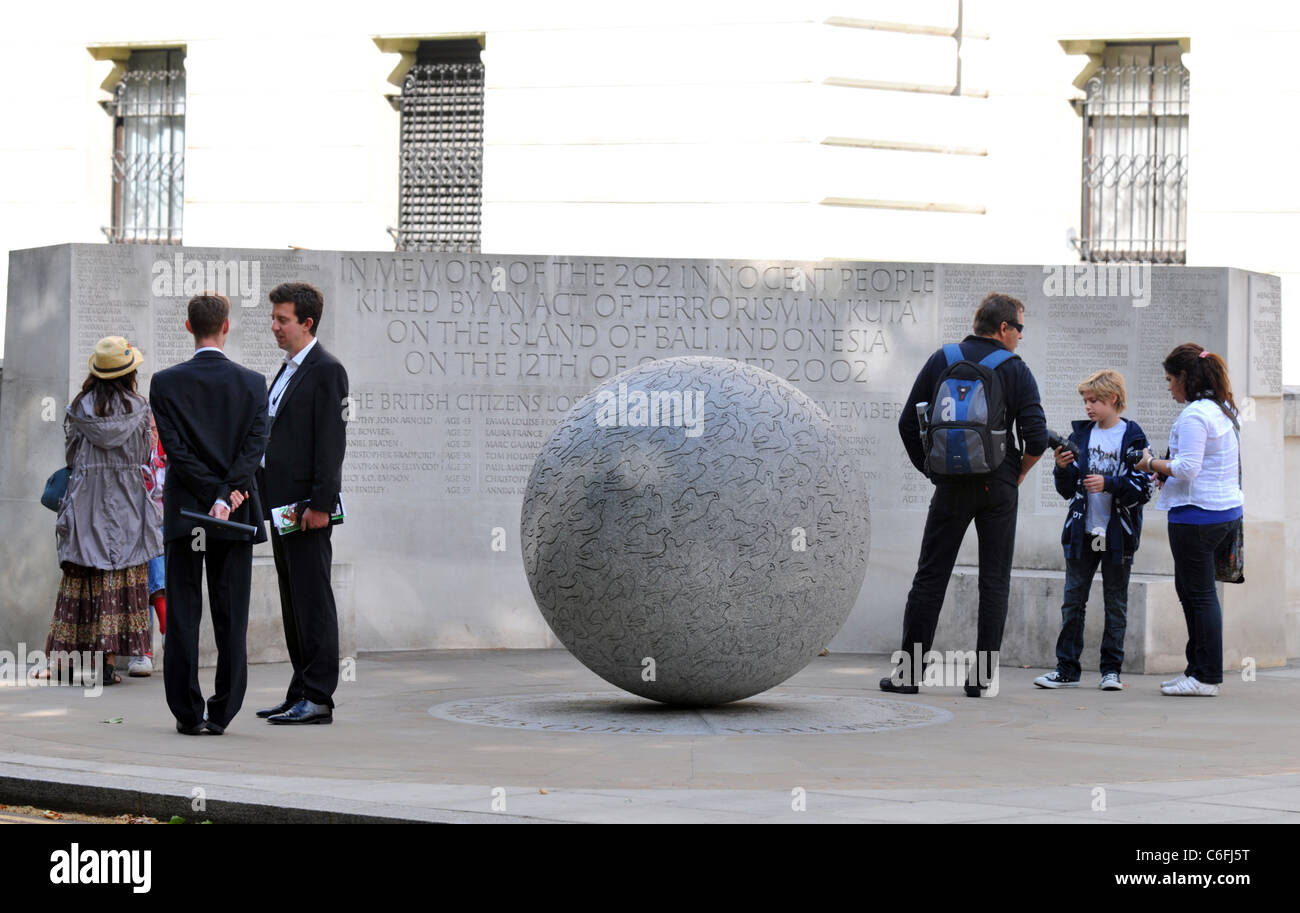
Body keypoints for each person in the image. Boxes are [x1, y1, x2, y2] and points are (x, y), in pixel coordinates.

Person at [885, 292, 1048, 697]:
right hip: (998, 487)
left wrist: (934, 470)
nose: (1021, 338)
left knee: (929, 578)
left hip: (951, 486)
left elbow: (908, 423)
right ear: (1004, 328)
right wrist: (1017, 473)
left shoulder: (943, 358)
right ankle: (980, 680)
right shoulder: (1015, 369)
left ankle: (908, 676)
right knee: (994, 582)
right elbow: (1038, 437)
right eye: (1020, 329)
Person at [149, 294, 270, 734]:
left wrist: (210, 495)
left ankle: (186, 712)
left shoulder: (164, 383)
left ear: (187, 327)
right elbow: (253, 451)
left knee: (183, 612)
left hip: (187, 514)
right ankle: (221, 713)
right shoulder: (254, 384)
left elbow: (176, 453)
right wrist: (228, 494)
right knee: (231, 613)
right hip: (235, 514)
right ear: (226, 326)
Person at [44, 336, 161, 686]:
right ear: (128, 374)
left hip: (86, 503)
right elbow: (145, 455)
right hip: (127, 505)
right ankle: (109, 663)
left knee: (84, 579)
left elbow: (70, 458)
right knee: (120, 577)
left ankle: (65, 660)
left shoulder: (79, 409)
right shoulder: (140, 410)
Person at [256, 282, 349, 725]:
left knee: (312, 601)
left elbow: (331, 444)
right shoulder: (288, 369)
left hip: (306, 510)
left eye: (282, 319)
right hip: (280, 508)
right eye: (274, 318)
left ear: (306, 323)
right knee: (293, 599)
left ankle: (318, 698)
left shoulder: (326, 370)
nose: (274, 326)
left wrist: (320, 505)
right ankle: (300, 689)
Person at [1134, 343, 1243, 697]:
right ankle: (1196, 669)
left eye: (1170, 380)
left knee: (1199, 595)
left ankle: (1206, 676)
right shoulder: (1221, 409)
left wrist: (1151, 463)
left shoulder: (1196, 414)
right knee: (1193, 592)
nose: (1168, 388)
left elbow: (1188, 468)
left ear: (1185, 377)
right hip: (1220, 512)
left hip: (1198, 517)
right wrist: (1167, 470)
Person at [1034, 370, 1151, 691]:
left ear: (1113, 399)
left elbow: (1142, 490)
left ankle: (1110, 671)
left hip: (1118, 536)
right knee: (1073, 602)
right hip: (1081, 532)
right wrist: (1061, 469)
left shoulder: (1134, 437)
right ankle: (1066, 670)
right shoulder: (1082, 436)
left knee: (1116, 604)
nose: (1088, 407)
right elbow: (1067, 489)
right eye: (1086, 400)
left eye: (1094, 400)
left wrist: (1108, 483)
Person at [128, 414, 168, 677]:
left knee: (151, 573)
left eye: (154, 428)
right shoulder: (133, 453)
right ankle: (166, 633)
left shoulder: (168, 450)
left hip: (165, 525)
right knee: (144, 579)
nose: (150, 434)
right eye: (146, 429)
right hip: (135, 526)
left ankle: (144, 651)